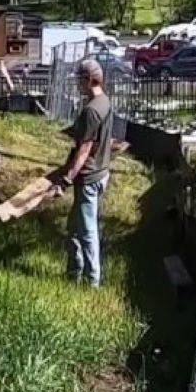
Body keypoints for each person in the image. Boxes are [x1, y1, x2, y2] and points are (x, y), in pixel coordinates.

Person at [52, 58, 114, 288]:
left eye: (79, 80)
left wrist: (66, 180)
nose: (77, 84)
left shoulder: (91, 110)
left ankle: (92, 283)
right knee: (74, 229)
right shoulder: (104, 101)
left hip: (88, 178)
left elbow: (84, 150)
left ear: (89, 80)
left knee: (87, 232)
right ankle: (74, 272)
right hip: (102, 172)